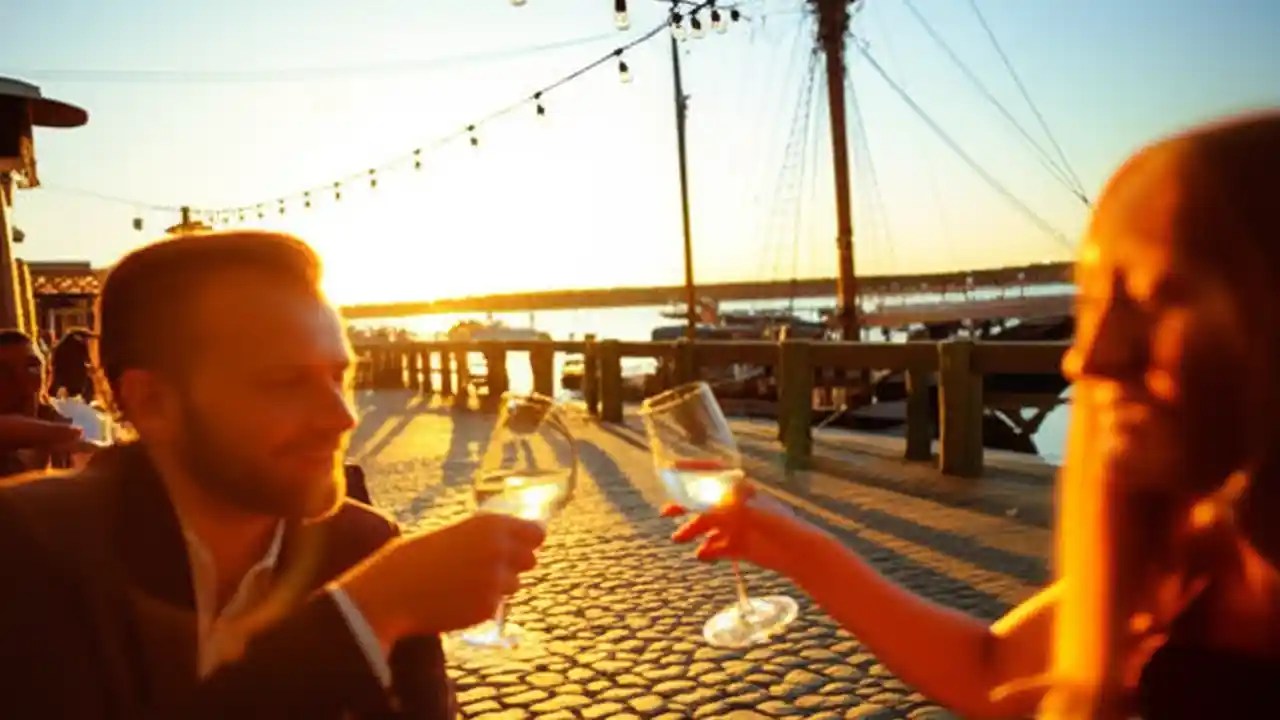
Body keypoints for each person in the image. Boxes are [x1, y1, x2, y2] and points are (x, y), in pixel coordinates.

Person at [666, 111, 1280, 719]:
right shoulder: (1189, 568)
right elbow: (991, 669)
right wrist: (797, 544)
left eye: (1154, 294)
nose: (1087, 357)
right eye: (1095, 302)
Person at [0, 230, 546, 718]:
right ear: (155, 402)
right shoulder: (33, 547)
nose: (343, 417)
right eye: (285, 382)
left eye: (339, 377)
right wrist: (362, 617)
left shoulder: (366, 544)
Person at [0, 329, 80, 474]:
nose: (21, 380)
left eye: (32, 367)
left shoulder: (61, 426)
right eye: (3, 371)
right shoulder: (60, 435)